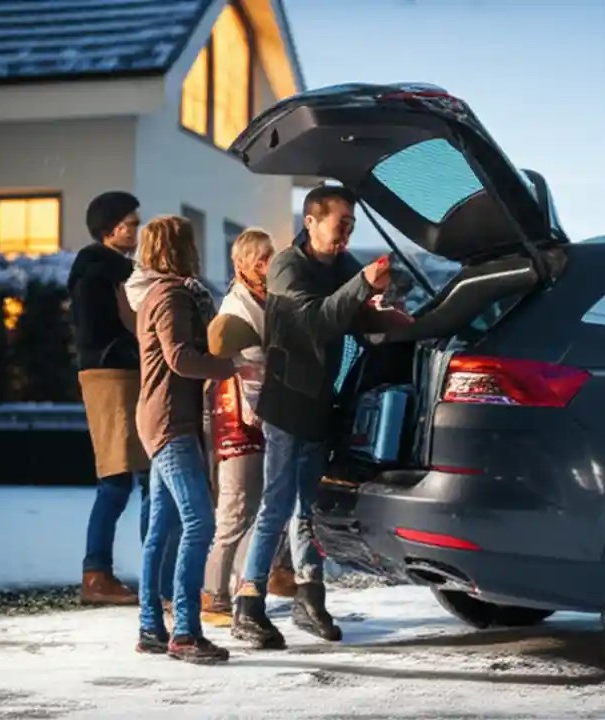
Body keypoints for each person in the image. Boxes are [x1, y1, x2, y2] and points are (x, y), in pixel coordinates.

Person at [231, 186, 411, 649]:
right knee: (276, 504)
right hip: (288, 405)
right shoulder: (287, 267)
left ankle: (310, 597)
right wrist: (361, 289)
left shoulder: (343, 266)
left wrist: (395, 317)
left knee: (308, 506)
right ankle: (247, 604)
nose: (346, 234)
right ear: (311, 221)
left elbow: (356, 316)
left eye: (352, 226)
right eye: (340, 224)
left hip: (320, 406)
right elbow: (316, 322)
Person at [129, 215, 237, 664]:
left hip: (159, 418)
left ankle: (151, 627)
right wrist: (230, 367)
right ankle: (186, 633)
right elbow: (179, 358)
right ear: (178, 249)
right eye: (190, 243)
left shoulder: (154, 293)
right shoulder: (172, 295)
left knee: (162, 527)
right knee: (200, 523)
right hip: (172, 421)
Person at [200, 228, 297, 627]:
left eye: (270, 257)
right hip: (237, 416)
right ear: (241, 265)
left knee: (265, 506)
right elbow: (240, 352)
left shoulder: (268, 299)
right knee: (236, 511)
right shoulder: (235, 307)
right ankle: (214, 595)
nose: (267, 265)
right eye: (260, 259)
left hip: (265, 414)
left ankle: (261, 578)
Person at [68, 190, 150, 605]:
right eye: (131, 223)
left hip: (118, 375)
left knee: (129, 478)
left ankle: (109, 573)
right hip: (112, 378)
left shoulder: (111, 270)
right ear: (111, 229)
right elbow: (99, 332)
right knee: (118, 480)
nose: (137, 228)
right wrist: (134, 348)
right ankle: (98, 575)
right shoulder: (99, 274)